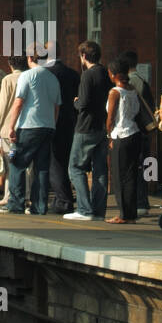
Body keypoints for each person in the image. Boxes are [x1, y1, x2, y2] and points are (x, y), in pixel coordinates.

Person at [0, 51, 61, 215]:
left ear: (30, 58)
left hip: (28, 126)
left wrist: (11, 126)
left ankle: (15, 204)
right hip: (48, 127)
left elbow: (18, 103)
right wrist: (52, 124)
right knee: (41, 168)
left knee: (17, 164)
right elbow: (56, 106)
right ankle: (39, 206)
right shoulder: (53, 78)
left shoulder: (27, 76)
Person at [65, 41, 111, 222]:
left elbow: (82, 104)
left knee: (75, 168)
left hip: (85, 127)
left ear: (84, 56)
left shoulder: (87, 75)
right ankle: (98, 212)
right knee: (100, 170)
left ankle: (85, 209)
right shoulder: (105, 73)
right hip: (101, 126)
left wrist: (75, 101)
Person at [105, 57, 143, 224]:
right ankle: (131, 214)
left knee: (119, 177)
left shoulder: (115, 92)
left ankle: (123, 214)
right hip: (134, 133)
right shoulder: (133, 89)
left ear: (113, 74)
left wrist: (108, 135)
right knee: (131, 175)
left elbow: (110, 117)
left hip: (120, 135)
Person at [45, 46, 81, 216]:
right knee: (66, 161)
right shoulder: (73, 74)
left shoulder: (46, 73)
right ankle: (63, 197)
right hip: (71, 121)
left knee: (55, 163)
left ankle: (64, 201)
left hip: (53, 121)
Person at [122, 49, 153, 216]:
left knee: (138, 167)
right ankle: (144, 200)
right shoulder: (142, 80)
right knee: (146, 166)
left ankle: (141, 202)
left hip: (136, 131)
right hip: (145, 132)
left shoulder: (132, 82)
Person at [0, 57, 25, 206]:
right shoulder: (30, 76)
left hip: (8, 128)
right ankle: (26, 195)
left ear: (10, 64)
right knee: (26, 165)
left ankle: (9, 195)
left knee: (10, 163)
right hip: (25, 126)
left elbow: (3, 104)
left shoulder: (8, 79)